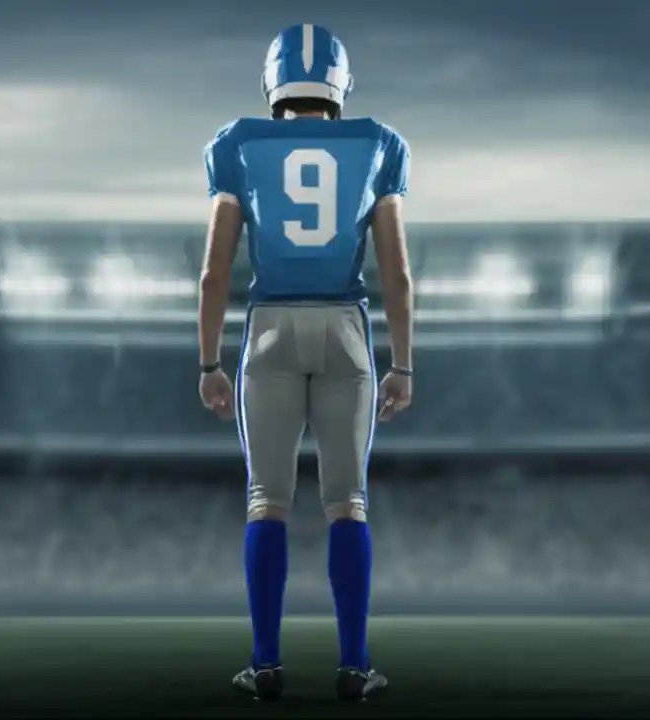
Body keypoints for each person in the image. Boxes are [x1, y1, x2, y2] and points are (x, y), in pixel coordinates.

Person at [196, 22, 415, 703]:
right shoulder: (380, 144)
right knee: (347, 502)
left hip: (269, 330)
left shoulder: (236, 143)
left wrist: (208, 361)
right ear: (340, 82)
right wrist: (403, 364)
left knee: (267, 501)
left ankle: (266, 665)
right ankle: (354, 666)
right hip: (346, 329)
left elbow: (213, 274)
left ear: (274, 80)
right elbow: (397, 273)